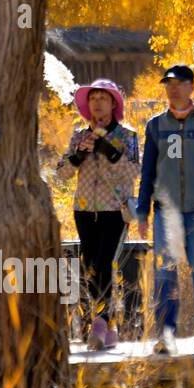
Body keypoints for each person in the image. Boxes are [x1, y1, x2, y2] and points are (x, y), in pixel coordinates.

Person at [135, 64, 194, 354]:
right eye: (168, 84)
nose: (172, 88)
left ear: (191, 86)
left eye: (178, 83)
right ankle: (165, 334)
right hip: (166, 211)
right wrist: (142, 211)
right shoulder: (155, 126)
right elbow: (148, 170)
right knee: (165, 272)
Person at [55, 79, 140, 350]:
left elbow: (134, 172)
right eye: (93, 99)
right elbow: (62, 173)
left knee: (104, 263)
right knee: (91, 268)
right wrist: (78, 155)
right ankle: (108, 327)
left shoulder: (127, 135)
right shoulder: (80, 135)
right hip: (83, 210)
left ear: (114, 103)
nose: (97, 103)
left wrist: (109, 152)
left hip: (115, 211)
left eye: (103, 98)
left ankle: (99, 324)